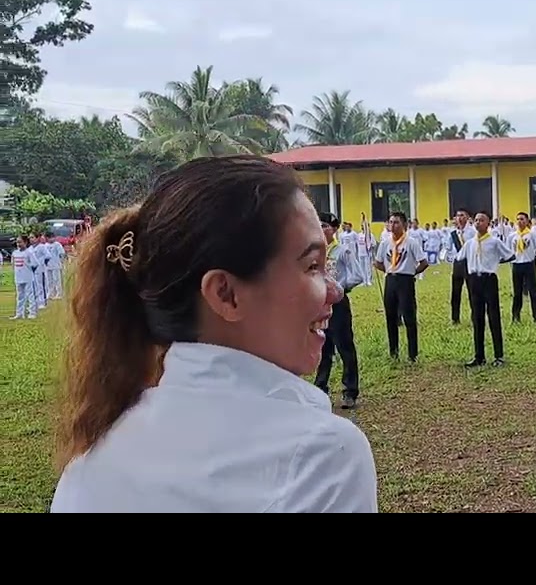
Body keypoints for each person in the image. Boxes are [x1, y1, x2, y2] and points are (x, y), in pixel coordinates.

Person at [50, 155, 377, 512]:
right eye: (312, 266)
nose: (335, 289)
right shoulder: (322, 458)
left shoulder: (90, 458)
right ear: (225, 293)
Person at [315, 212, 363, 408]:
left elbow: (357, 275)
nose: (321, 228)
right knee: (322, 346)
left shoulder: (342, 251)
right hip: (319, 304)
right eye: (318, 225)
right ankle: (320, 388)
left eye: (325, 225)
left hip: (338, 304)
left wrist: (340, 289)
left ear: (334, 229)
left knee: (344, 346)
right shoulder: (315, 252)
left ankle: (350, 390)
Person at [373, 212, 429, 362]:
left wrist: (411, 273)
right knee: (391, 317)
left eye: (396, 222)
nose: (392, 226)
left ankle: (412, 354)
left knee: (409, 316)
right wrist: (390, 271)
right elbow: (378, 262)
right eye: (390, 222)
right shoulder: (385, 243)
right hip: (390, 280)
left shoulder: (411, 242)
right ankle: (394, 351)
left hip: (406, 280)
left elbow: (423, 262)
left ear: (404, 225)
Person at [462, 211, 513, 367]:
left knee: (493, 316)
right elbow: (459, 257)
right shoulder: (470, 243)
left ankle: (499, 355)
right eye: (476, 220)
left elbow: (510, 256)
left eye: (482, 220)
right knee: (477, 318)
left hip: (488, 279)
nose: (478, 223)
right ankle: (479, 356)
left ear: (488, 223)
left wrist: (493, 263)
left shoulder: (494, 242)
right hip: (473, 280)